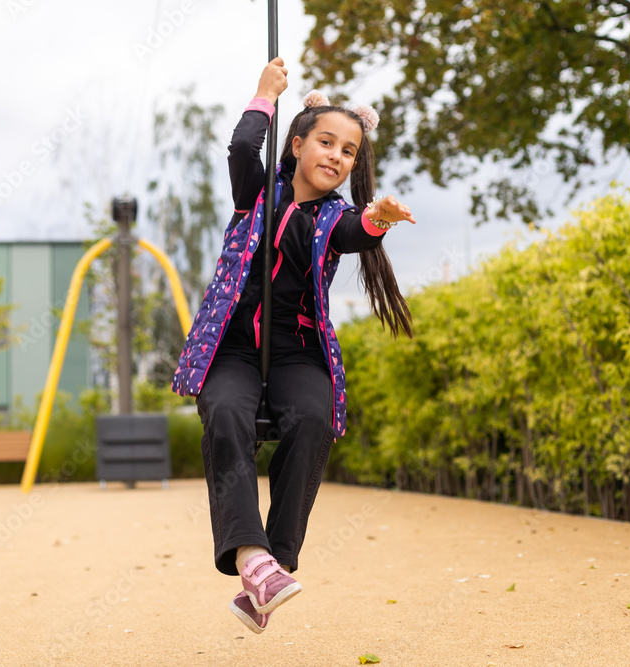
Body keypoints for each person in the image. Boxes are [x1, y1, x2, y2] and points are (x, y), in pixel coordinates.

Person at [172, 57, 415, 633]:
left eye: (348, 151)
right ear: (299, 144)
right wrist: (263, 95)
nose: (336, 156)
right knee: (227, 413)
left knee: (314, 417)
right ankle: (250, 558)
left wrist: (377, 220)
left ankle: (274, 565)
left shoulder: (336, 218)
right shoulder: (257, 194)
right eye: (325, 142)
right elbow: (241, 151)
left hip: (297, 353)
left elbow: (357, 235)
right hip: (230, 348)